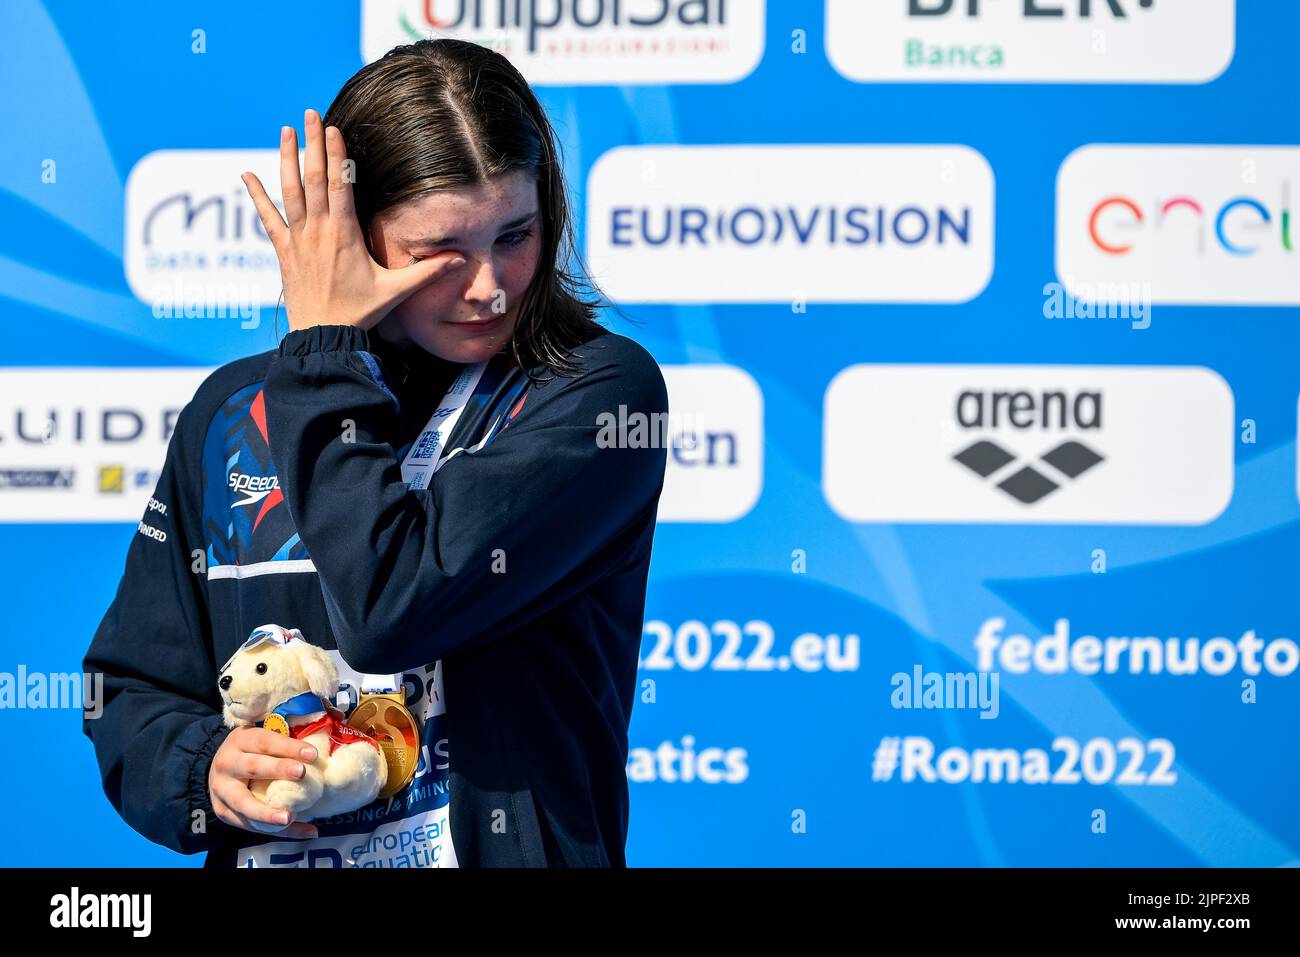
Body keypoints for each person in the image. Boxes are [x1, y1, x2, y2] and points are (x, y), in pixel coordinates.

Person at [82, 38, 669, 868]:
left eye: (516, 234)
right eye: (442, 252)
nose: (489, 286)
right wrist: (203, 766)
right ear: (352, 236)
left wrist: (322, 353)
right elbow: (131, 690)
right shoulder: (230, 414)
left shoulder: (594, 395)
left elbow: (390, 607)